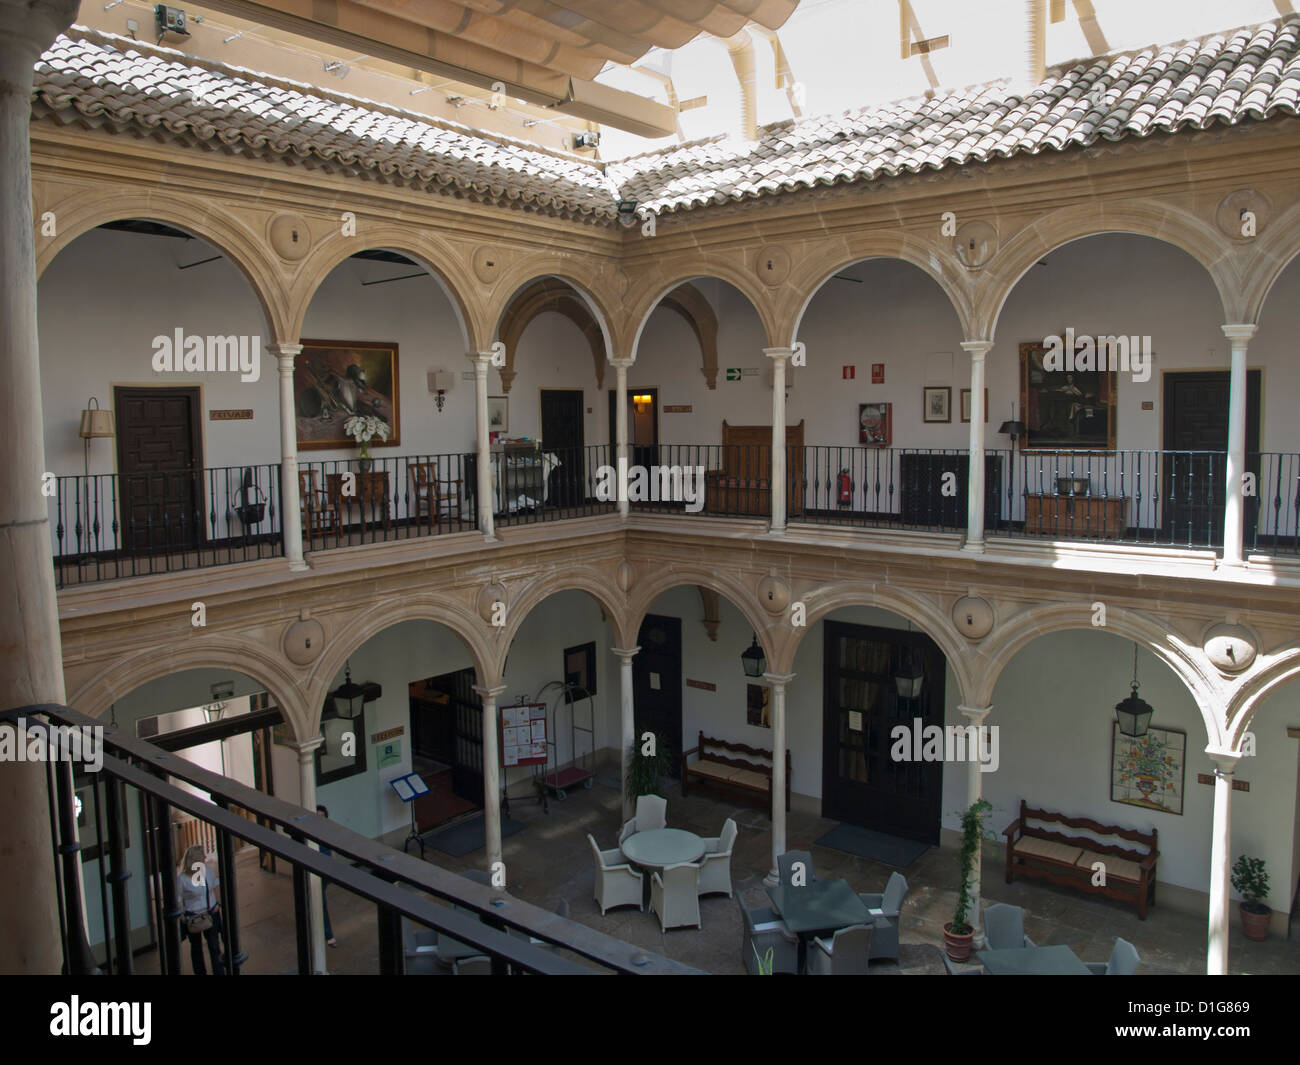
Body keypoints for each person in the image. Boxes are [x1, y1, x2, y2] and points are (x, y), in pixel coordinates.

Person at [176, 844, 225, 975]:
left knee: (214, 946)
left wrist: (218, 905)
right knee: (196, 949)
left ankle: (219, 972)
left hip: (210, 912)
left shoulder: (207, 871)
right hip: (193, 916)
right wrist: (182, 917)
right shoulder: (182, 879)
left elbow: (215, 887)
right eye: (202, 855)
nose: (205, 857)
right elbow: (177, 899)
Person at [316, 804, 337, 947]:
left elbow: (332, 849)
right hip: (318, 867)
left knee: (320, 901)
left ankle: (328, 934)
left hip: (325, 868)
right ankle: (328, 935)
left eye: (322, 816)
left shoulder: (326, 831)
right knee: (320, 901)